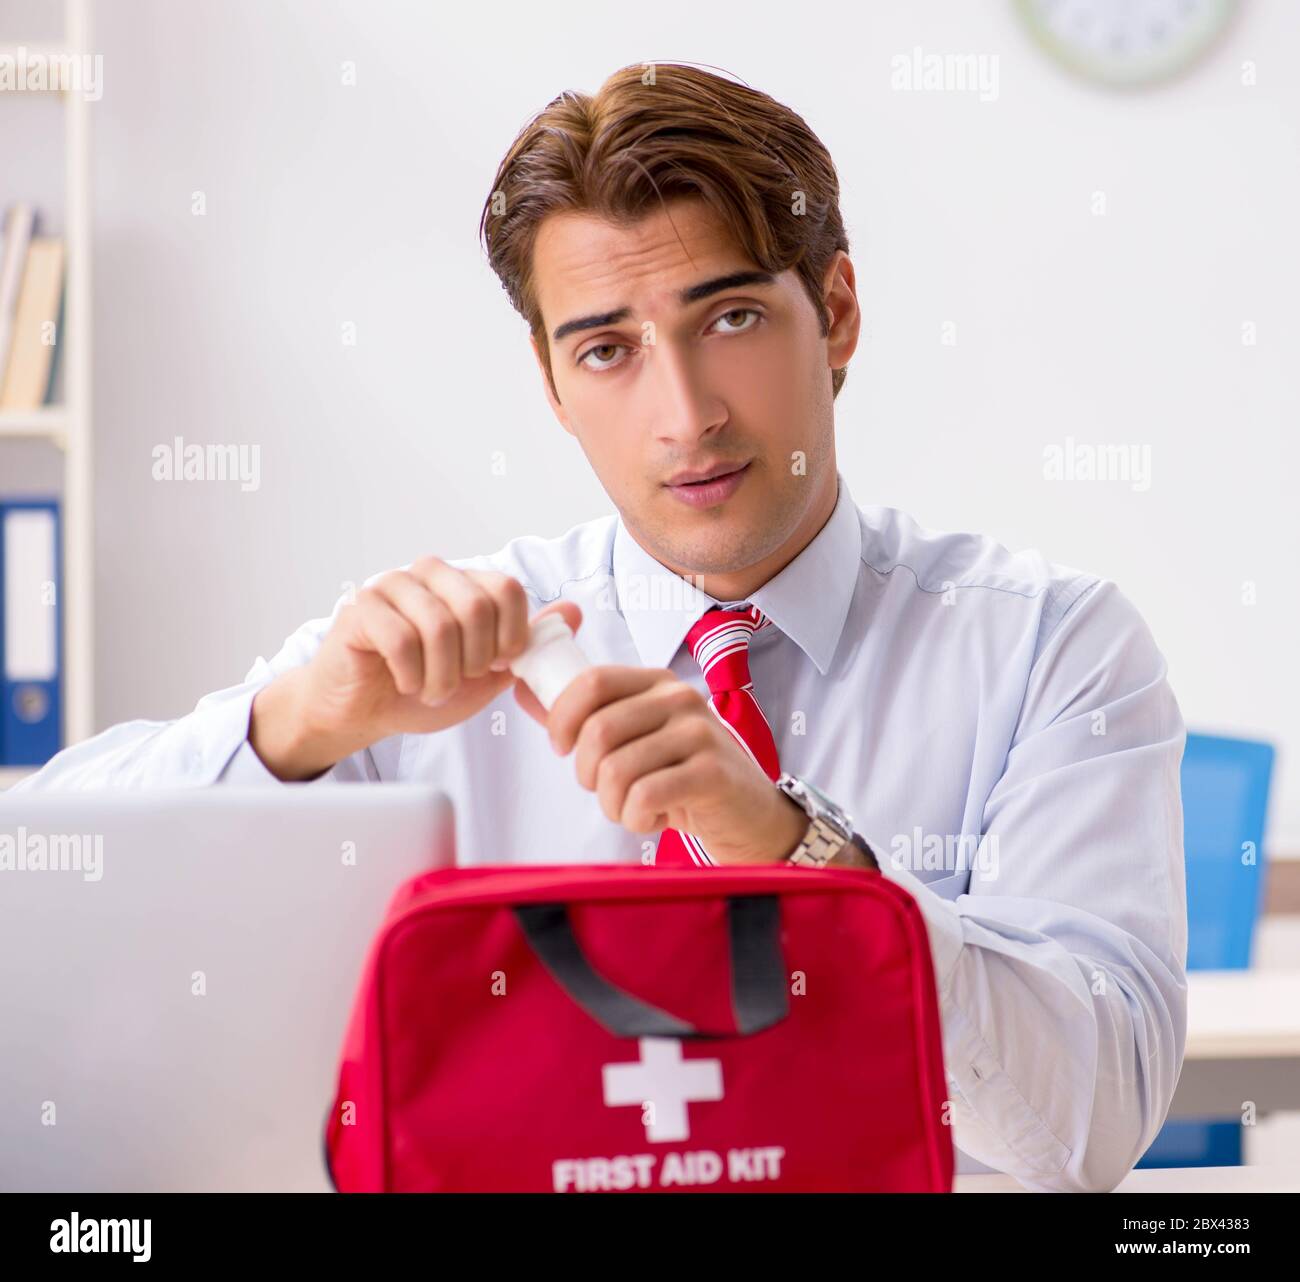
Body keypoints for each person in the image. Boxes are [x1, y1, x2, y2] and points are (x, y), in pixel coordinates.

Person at [14, 63, 1187, 1193]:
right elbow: (44, 901)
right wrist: (293, 727)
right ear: (550, 380)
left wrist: (792, 859)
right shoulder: (433, 654)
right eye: (607, 348)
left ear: (833, 313)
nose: (686, 415)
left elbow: (1088, 1131)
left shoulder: (1050, 648)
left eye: (728, 316)